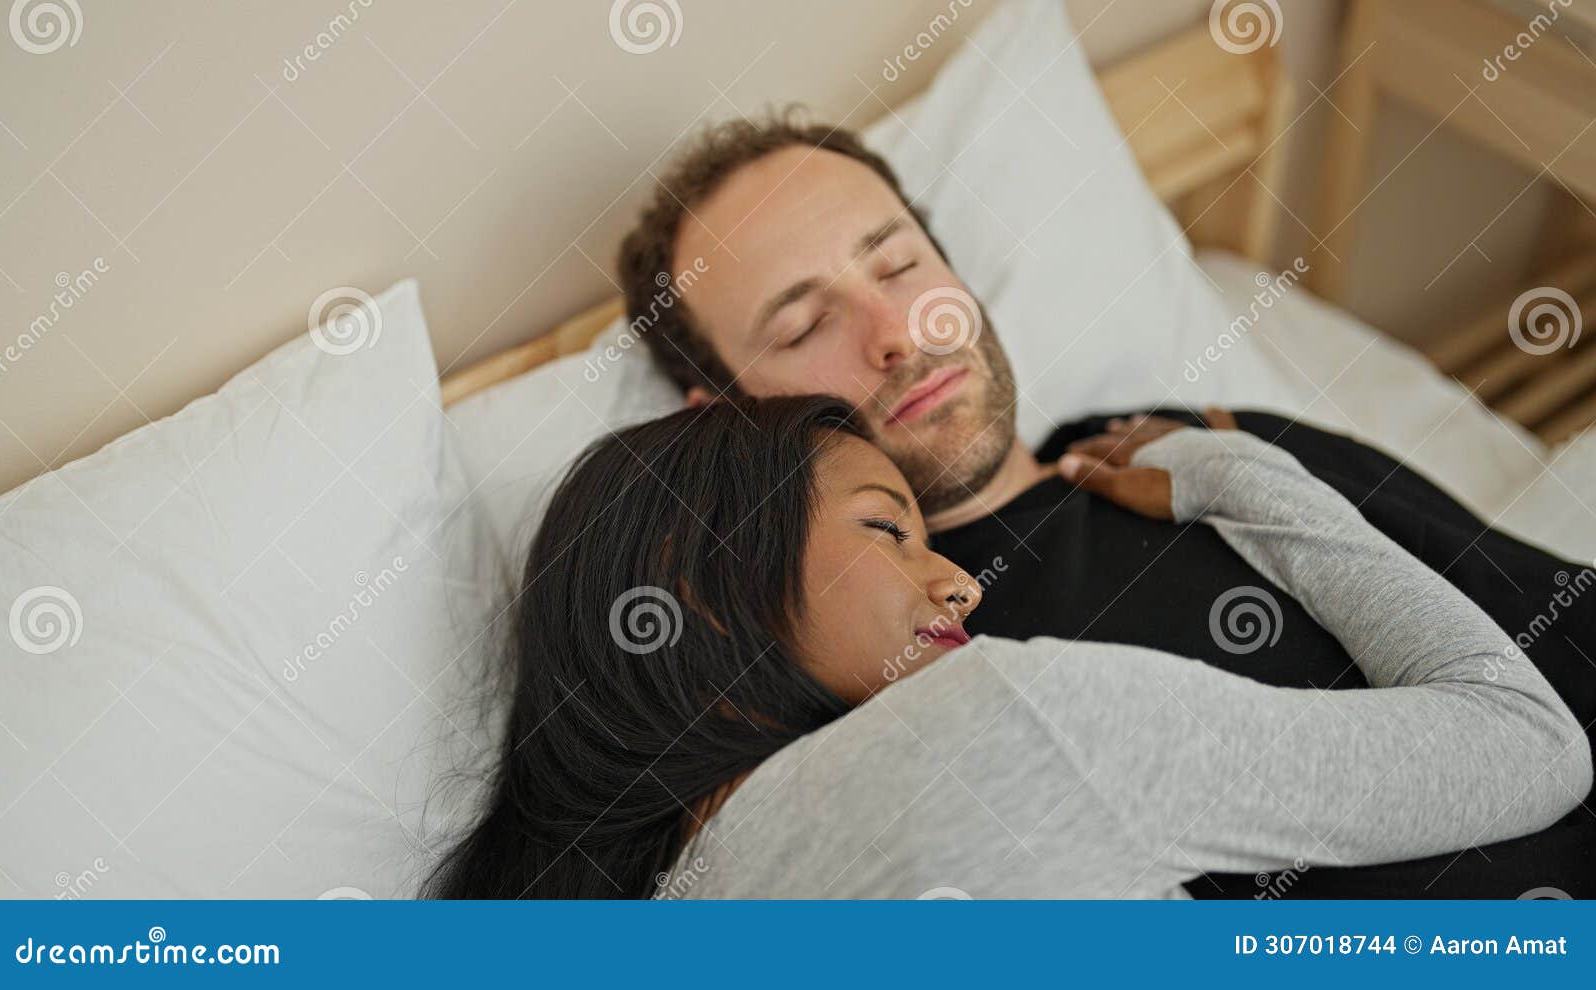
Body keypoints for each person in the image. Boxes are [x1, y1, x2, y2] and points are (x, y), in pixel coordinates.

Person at [612, 111, 1596, 897]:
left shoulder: (1201, 441)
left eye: (899, 264)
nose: (895, 338)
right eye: (805, 323)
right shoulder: (840, 681)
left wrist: (1233, 471)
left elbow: (1556, 634)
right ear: (729, 420)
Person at [424, 397, 1589, 899]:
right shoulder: (1011, 723)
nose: (957, 578)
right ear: (695, 581)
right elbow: (1528, 741)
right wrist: (1244, 474)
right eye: (886, 528)